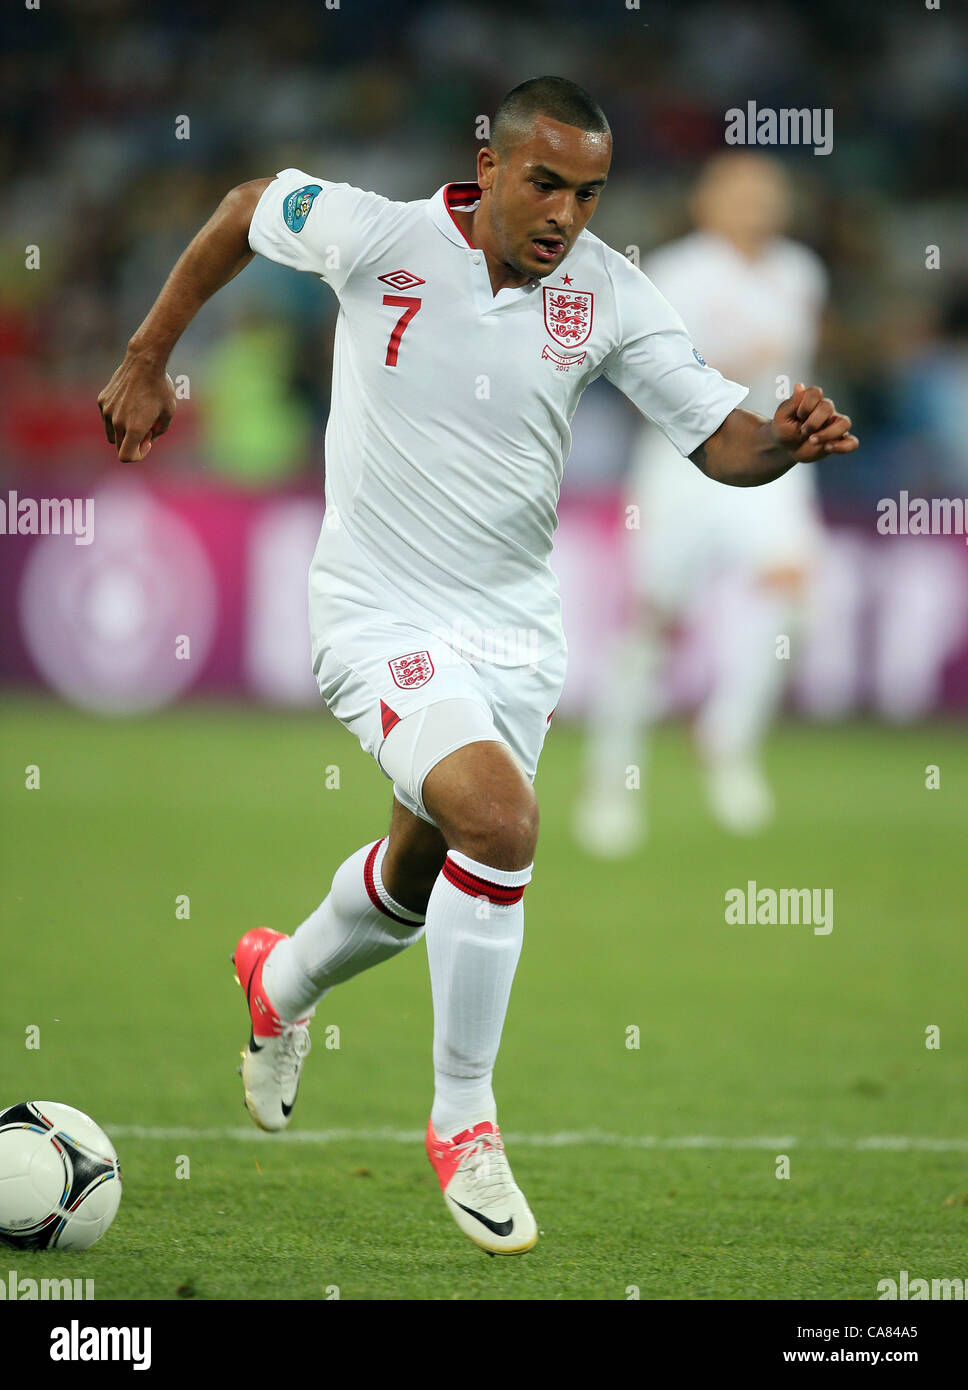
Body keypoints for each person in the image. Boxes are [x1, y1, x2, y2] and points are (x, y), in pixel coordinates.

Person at [96, 77, 857, 1257]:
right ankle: (464, 1119)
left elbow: (717, 438)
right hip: (373, 611)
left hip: (510, 635)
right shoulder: (379, 233)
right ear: (490, 165)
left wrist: (784, 440)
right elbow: (249, 205)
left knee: (413, 880)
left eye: (588, 193)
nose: (564, 214)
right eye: (545, 182)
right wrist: (148, 354)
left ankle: (279, 978)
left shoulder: (610, 293)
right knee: (500, 822)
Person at [575, 153, 830, 852]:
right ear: (706, 201)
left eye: (767, 193)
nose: (757, 204)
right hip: (688, 458)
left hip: (775, 461)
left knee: (797, 596)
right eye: (741, 192)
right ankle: (610, 784)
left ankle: (727, 736)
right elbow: (654, 373)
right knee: (656, 622)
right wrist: (733, 363)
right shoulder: (674, 272)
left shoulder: (802, 272)